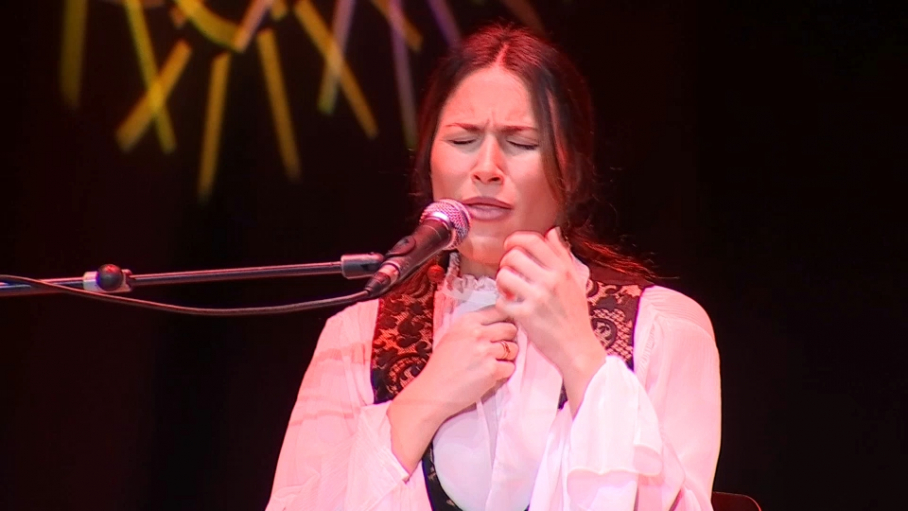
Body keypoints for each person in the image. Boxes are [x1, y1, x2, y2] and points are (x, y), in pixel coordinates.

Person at [264, 23, 720, 511]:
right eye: (462, 140)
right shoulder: (356, 336)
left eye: (521, 143)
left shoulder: (662, 328)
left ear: (575, 172)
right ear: (428, 164)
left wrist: (580, 356)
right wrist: (423, 402)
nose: (486, 167)